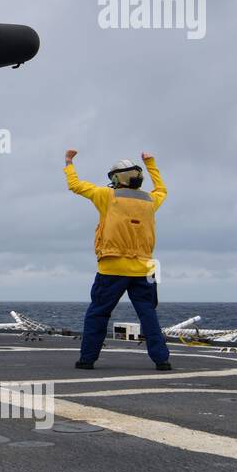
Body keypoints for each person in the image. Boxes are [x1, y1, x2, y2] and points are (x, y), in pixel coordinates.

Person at [64, 149, 171, 371]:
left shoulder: (107, 196)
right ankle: (162, 360)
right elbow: (162, 189)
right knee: (148, 314)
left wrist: (69, 163)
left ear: (115, 178)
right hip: (146, 268)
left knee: (98, 313)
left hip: (112, 267)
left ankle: (87, 360)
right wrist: (150, 162)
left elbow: (75, 186)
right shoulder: (151, 200)